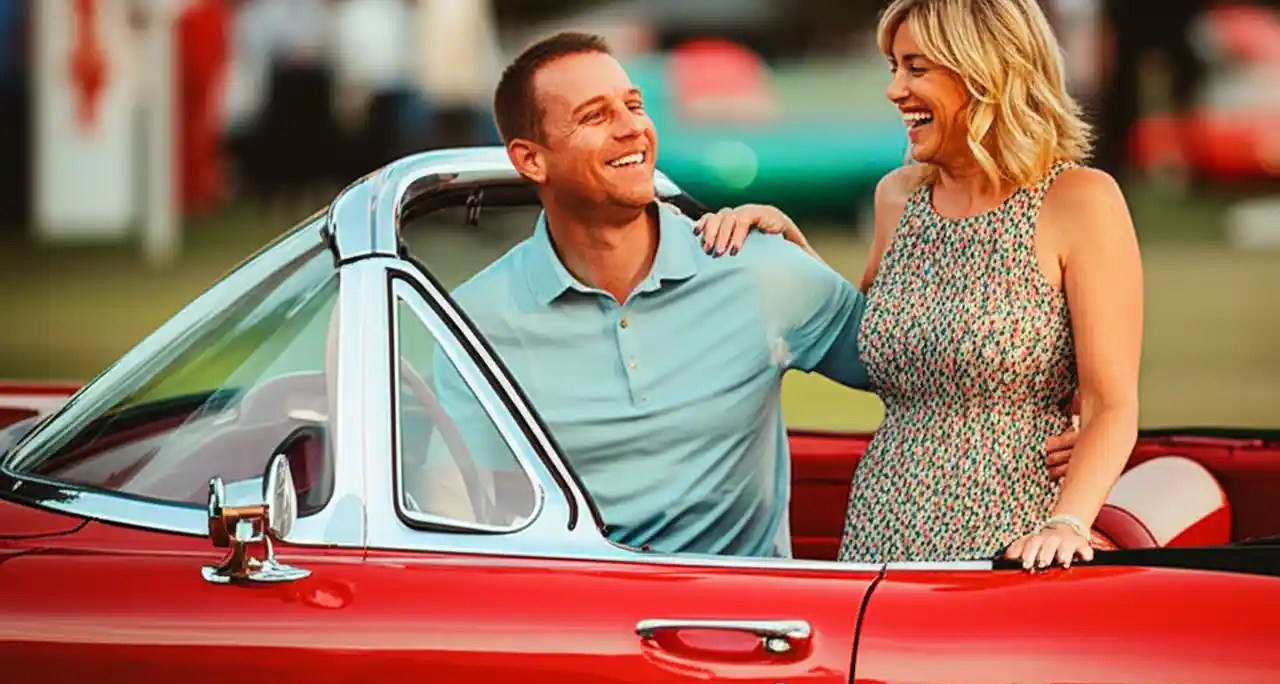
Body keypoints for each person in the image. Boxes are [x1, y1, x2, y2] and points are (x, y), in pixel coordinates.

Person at [430, 31, 1077, 559]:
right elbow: (459, 523)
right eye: (596, 117)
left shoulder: (756, 271)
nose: (631, 129)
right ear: (529, 159)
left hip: (744, 632)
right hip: (577, 636)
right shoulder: (475, 322)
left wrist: (1065, 408)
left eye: (634, 105)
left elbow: (915, 359)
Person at [697, 0, 1141, 571]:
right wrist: (791, 251)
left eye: (916, 68)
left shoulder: (1080, 199)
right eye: (893, 68)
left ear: (983, 70)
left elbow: (1113, 404)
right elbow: (877, 344)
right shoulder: (897, 197)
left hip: (1017, 541)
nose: (894, 90)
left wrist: (1067, 523)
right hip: (878, 530)